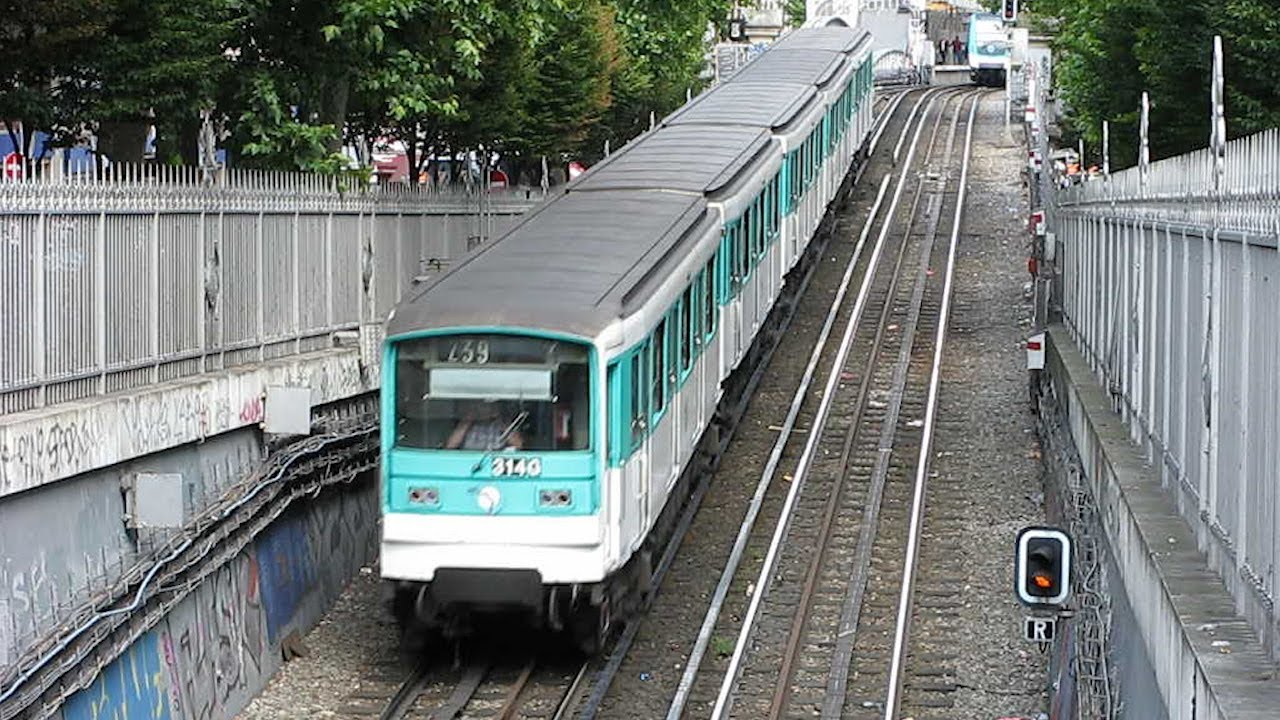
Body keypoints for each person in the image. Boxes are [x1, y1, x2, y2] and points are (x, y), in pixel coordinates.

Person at [445, 400, 525, 450]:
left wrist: (500, 419)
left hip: (495, 463)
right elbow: (450, 446)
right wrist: (469, 419)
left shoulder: (503, 423)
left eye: (490, 406)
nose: (486, 409)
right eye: (482, 406)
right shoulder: (466, 423)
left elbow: (519, 445)